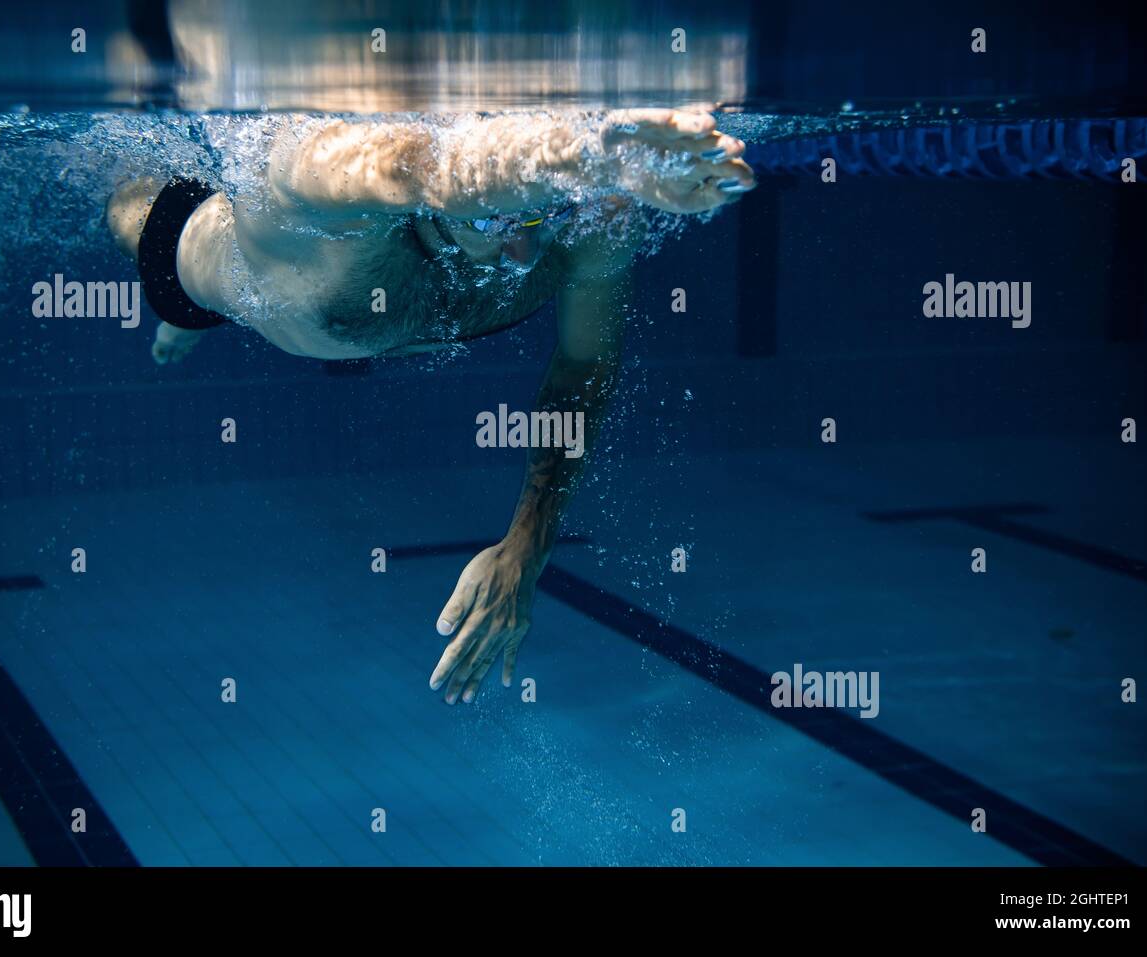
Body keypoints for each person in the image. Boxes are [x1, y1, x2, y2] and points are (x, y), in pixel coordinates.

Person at [106, 108, 754, 704]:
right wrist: (589, 151)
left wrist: (528, 542)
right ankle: (186, 319)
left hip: (365, 306)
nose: (525, 252)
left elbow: (584, 364)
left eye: (543, 215)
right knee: (133, 216)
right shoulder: (331, 172)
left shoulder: (585, 215)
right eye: (501, 217)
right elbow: (439, 164)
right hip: (220, 270)